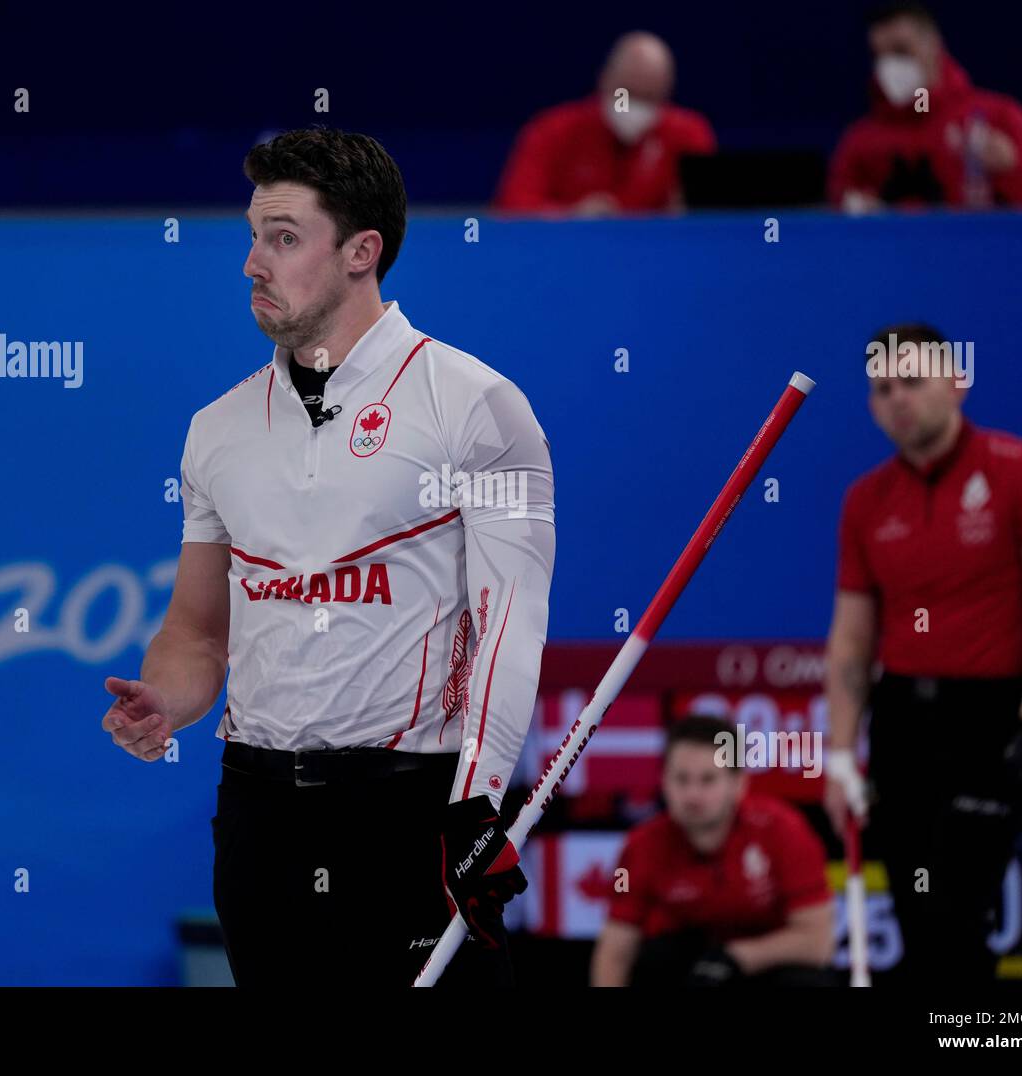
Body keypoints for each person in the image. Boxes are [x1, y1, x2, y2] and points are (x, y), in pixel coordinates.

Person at [100, 127, 556, 987]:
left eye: (283, 237)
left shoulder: (479, 407)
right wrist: (165, 699)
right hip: (258, 813)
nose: (251, 263)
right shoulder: (216, 429)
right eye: (252, 235)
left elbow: (510, 628)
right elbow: (198, 633)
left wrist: (480, 805)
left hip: (412, 810)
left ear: (361, 252)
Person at [823, 322, 1022, 982]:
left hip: (991, 721)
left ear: (957, 381)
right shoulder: (866, 501)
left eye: (913, 381)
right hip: (905, 724)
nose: (898, 399)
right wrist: (838, 754)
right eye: (883, 388)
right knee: (917, 916)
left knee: (957, 910)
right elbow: (852, 640)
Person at [591, 715, 836, 987]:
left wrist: (733, 957)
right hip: (686, 969)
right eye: (681, 779)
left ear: (738, 783)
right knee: (655, 959)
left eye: (708, 780)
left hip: (764, 967)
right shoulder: (639, 848)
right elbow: (615, 950)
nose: (693, 794)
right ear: (664, 782)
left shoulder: (784, 831)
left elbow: (818, 942)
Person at [828, 2, 1022, 211]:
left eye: (901, 51)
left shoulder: (997, 116)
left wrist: (1010, 168)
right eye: (880, 56)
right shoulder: (859, 139)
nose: (890, 65)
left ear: (933, 45)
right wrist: (856, 204)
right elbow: (838, 203)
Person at [494, 30, 715, 215]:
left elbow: (713, 217)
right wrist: (572, 214)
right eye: (626, 93)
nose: (631, 105)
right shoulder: (554, 130)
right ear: (604, 79)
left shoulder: (688, 133)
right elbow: (513, 208)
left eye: (647, 97)